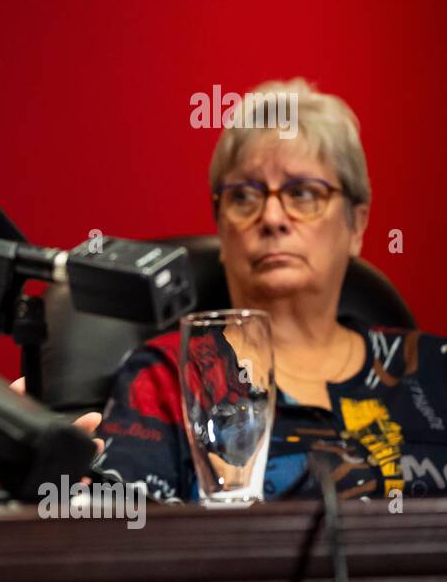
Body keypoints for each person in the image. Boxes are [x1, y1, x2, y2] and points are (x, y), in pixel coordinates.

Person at [92, 80, 447, 502]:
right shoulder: (168, 377)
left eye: (302, 193)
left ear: (356, 225)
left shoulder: (433, 369)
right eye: (244, 197)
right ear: (222, 232)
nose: (272, 217)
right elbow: (120, 538)